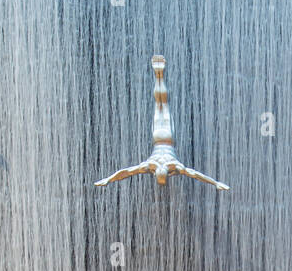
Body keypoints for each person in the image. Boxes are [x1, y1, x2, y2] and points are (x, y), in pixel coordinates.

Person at [95, 56, 229, 190]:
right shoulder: (156, 165)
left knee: (162, 105)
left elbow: (126, 172)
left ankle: (159, 76)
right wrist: (215, 183)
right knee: (160, 105)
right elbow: (196, 175)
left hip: (167, 138)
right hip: (158, 138)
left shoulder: (167, 165)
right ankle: (159, 76)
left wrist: (108, 180)